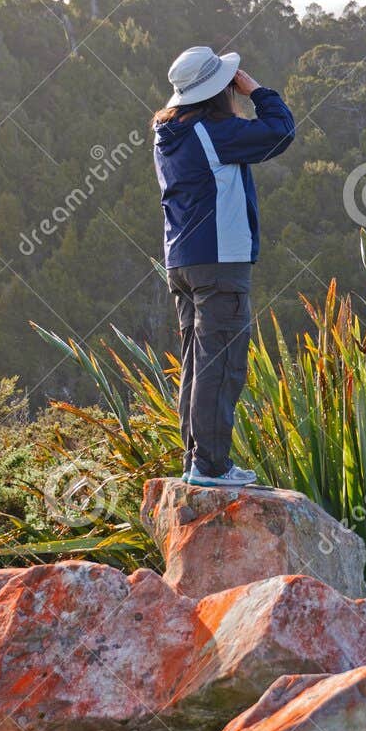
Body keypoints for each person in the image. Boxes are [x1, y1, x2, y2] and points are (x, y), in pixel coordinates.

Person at [152, 45, 296, 486]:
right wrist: (256, 90)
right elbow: (281, 131)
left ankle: (196, 459)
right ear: (218, 90)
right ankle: (211, 466)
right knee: (223, 361)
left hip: (182, 262)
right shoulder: (216, 132)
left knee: (198, 361)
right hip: (219, 262)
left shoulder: (169, 134)